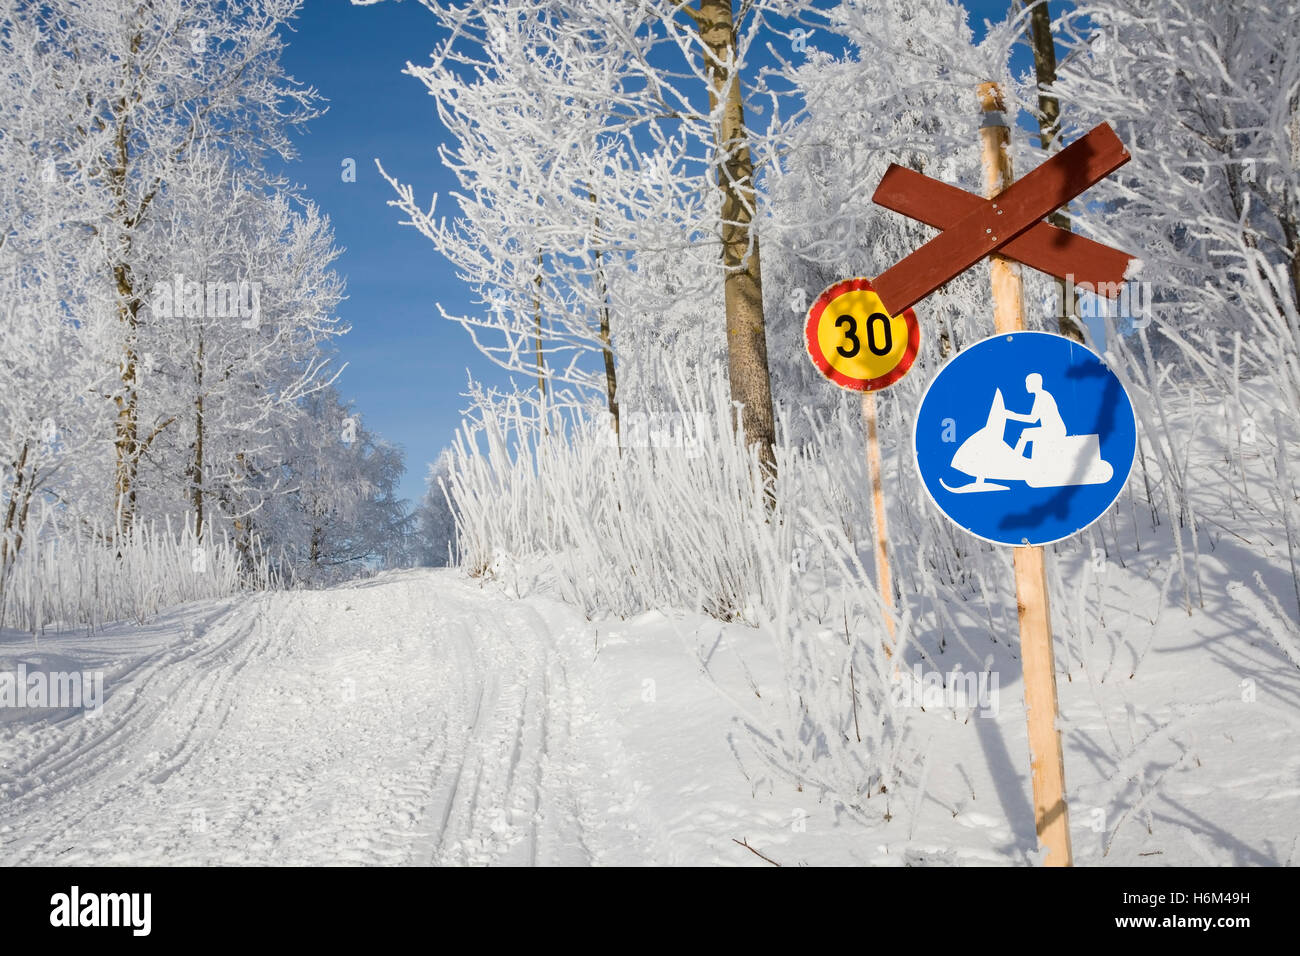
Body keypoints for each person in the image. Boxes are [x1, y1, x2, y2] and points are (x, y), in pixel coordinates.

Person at [1007, 373, 1066, 456]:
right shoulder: (1041, 395)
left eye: (1027, 383)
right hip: (1051, 429)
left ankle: (1015, 457)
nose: (1026, 385)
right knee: (1028, 434)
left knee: (1025, 434)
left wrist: (1012, 415)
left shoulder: (1043, 396)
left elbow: (1033, 419)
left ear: (1034, 384)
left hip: (1055, 430)